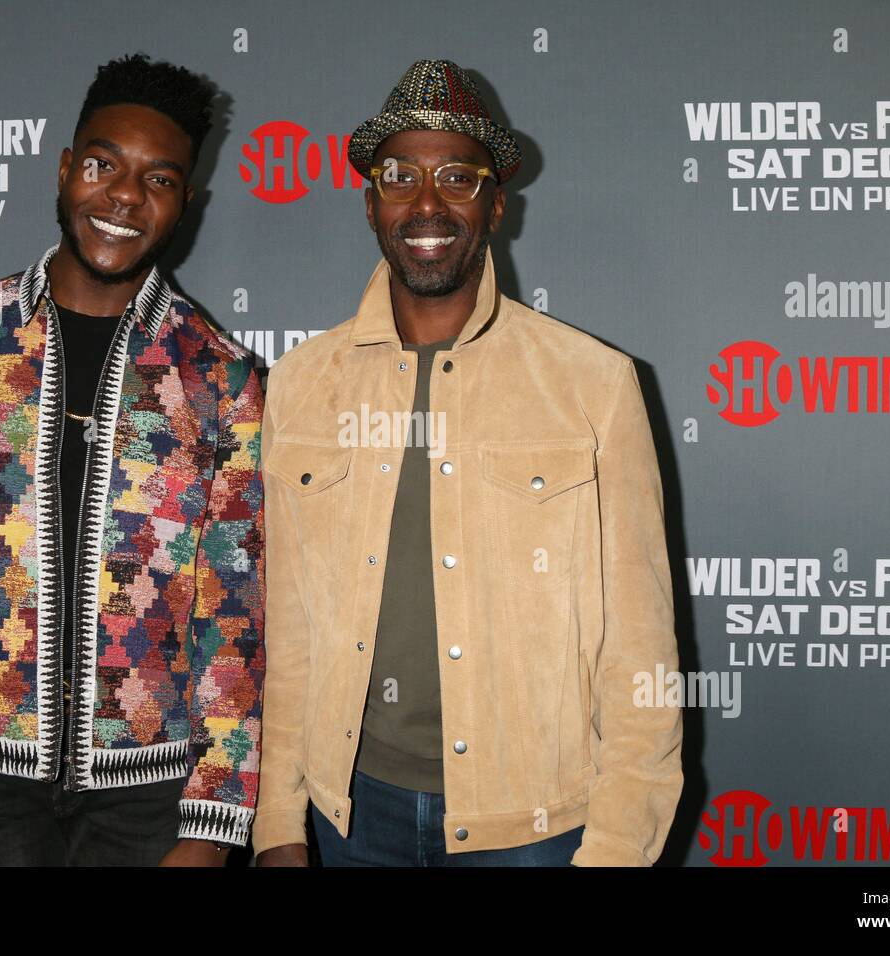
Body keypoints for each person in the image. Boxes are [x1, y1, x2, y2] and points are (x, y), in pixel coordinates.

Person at [252, 59, 682, 866]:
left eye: (457, 176)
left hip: (540, 829)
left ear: (494, 204)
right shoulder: (303, 385)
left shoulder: (594, 384)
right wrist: (279, 822)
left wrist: (618, 850)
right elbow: (291, 632)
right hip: (348, 819)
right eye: (400, 176)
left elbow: (642, 652)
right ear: (370, 200)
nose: (426, 202)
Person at [0, 53, 264, 867]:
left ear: (187, 201)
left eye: (158, 179)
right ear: (64, 168)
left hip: (148, 790)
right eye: (103, 164)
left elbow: (233, 610)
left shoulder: (219, 376)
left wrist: (213, 819)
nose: (123, 196)